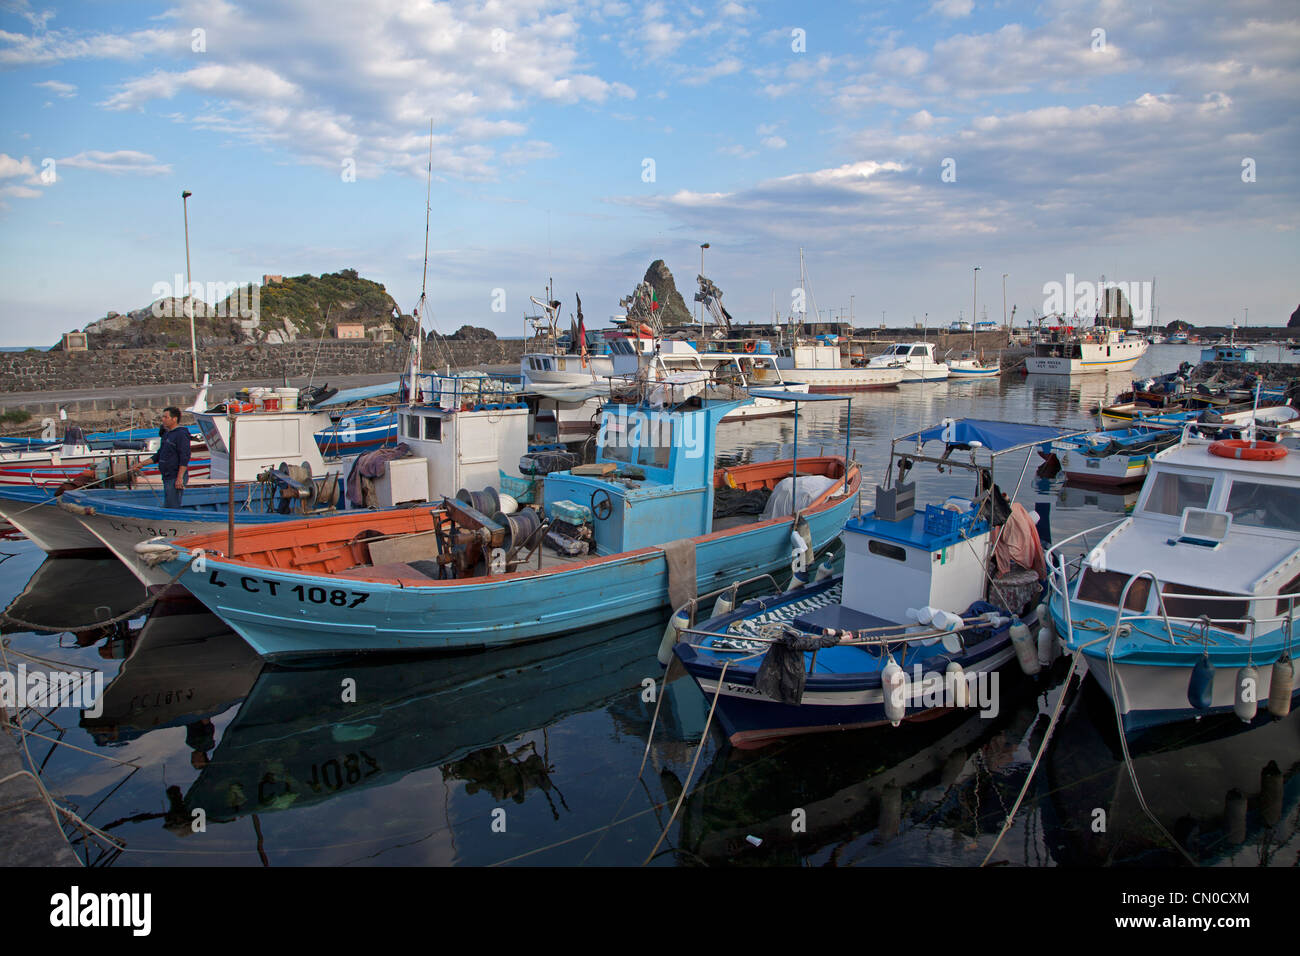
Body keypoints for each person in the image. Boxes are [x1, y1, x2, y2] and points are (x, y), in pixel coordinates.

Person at [132, 406, 190, 508]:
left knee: (173, 505)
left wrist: (180, 478)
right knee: (168, 503)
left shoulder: (181, 434)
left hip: (175, 476)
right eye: (162, 417)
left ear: (174, 419)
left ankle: (173, 521)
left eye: (166, 417)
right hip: (166, 476)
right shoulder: (167, 435)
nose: (163, 419)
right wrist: (141, 464)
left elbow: (184, 457)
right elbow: (159, 455)